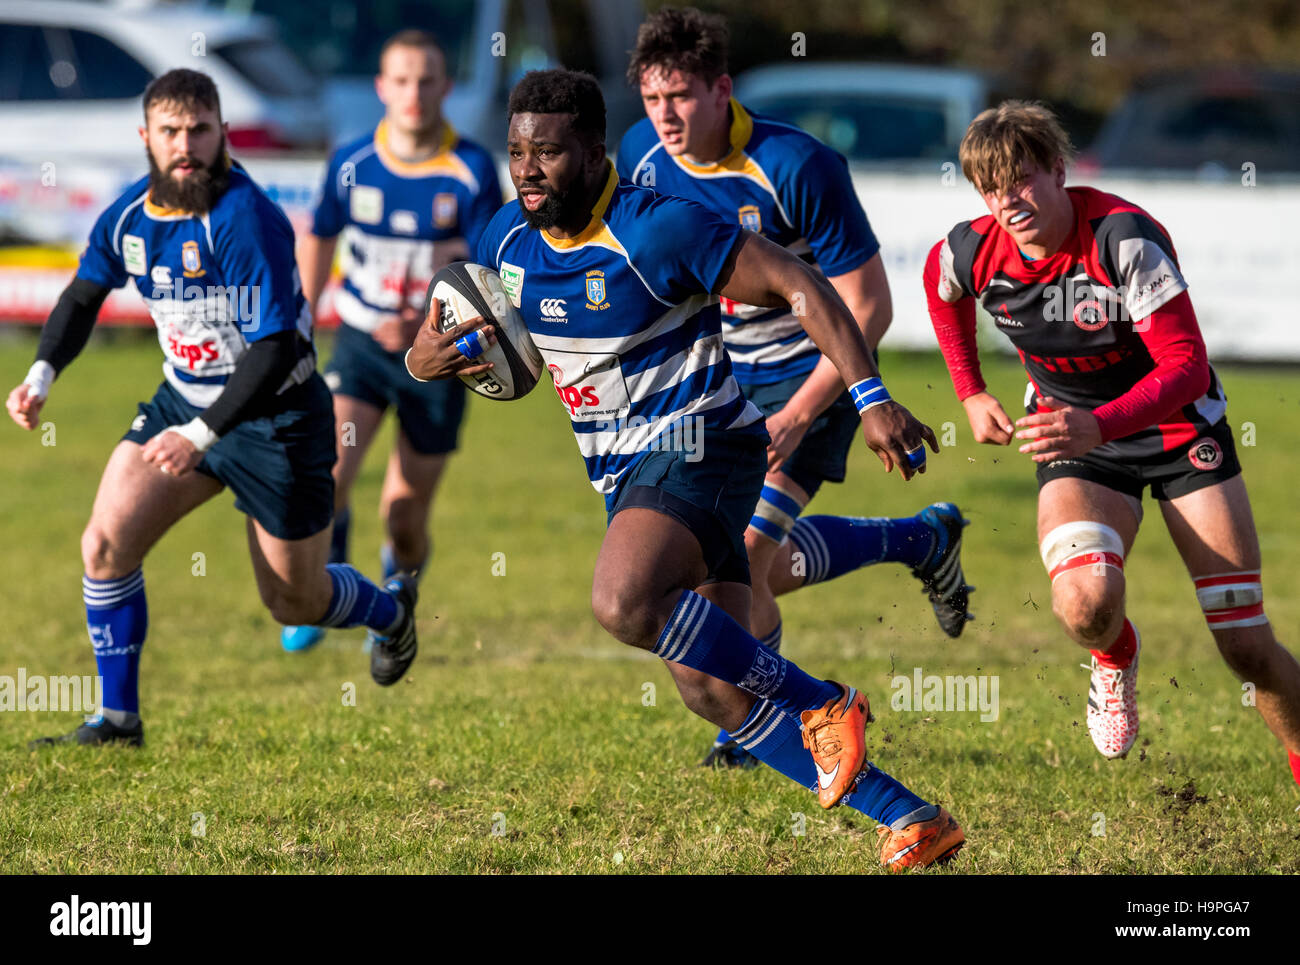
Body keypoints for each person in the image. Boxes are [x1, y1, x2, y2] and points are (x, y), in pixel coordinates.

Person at [408, 69, 965, 869]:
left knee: (622, 598)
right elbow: (489, 354)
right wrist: (427, 357)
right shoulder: (503, 241)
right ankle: (910, 814)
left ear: (597, 151)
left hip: (703, 443)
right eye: (518, 151)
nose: (529, 169)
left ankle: (822, 700)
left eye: (551, 153)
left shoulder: (657, 227)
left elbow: (798, 281)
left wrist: (869, 393)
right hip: (628, 474)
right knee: (711, 684)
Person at [6, 69, 420, 748]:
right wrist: (42, 374)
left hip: (278, 418)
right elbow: (83, 297)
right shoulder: (129, 214)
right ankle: (118, 719)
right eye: (171, 131)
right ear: (146, 137)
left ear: (222, 131)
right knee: (105, 544)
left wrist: (200, 434)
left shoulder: (241, 217)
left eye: (200, 129)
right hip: (185, 402)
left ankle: (390, 609)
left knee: (295, 599)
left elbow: (275, 349)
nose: (186, 145)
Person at [617, 6, 972, 769]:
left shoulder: (796, 164)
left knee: (742, 556)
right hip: (718, 383)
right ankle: (922, 537)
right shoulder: (640, 156)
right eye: (652, 99)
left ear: (722, 90)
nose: (665, 116)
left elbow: (868, 302)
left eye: (680, 96)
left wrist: (804, 410)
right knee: (754, 563)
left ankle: (750, 723)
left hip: (819, 371)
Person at [924, 100, 1300, 782]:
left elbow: (1185, 366)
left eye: (1023, 179)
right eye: (990, 188)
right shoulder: (969, 250)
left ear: (1059, 170)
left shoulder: (1121, 239)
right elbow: (942, 293)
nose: (1009, 200)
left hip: (1181, 429)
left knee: (1243, 640)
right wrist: (970, 390)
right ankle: (1113, 655)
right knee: (1086, 604)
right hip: (1080, 441)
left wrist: (1100, 420)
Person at [280, 30, 502, 652]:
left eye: (427, 79)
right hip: (359, 345)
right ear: (381, 87)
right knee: (328, 473)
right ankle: (328, 589)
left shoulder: (471, 170)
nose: (414, 93)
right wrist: (299, 320)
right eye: (401, 80)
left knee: (404, 518)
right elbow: (320, 235)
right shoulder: (351, 163)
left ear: (445, 87)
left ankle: (397, 601)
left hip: (438, 358)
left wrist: (422, 326)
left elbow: (485, 276)